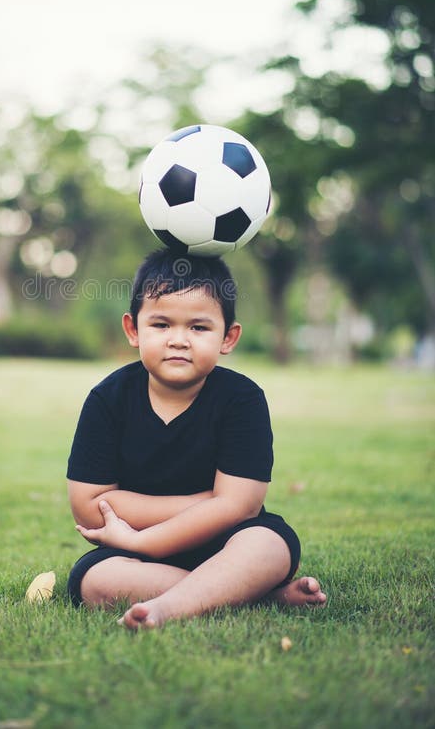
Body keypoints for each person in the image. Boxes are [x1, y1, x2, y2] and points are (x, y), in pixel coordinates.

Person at [66, 249, 326, 630]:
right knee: (96, 581)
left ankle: (169, 607)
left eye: (199, 328)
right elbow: (89, 507)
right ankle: (255, 596)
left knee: (269, 545)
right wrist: (208, 503)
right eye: (161, 325)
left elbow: (241, 508)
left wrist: (145, 538)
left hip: (226, 543)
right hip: (136, 556)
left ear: (228, 337)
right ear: (133, 330)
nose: (179, 340)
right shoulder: (108, 399)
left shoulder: (242, 399)